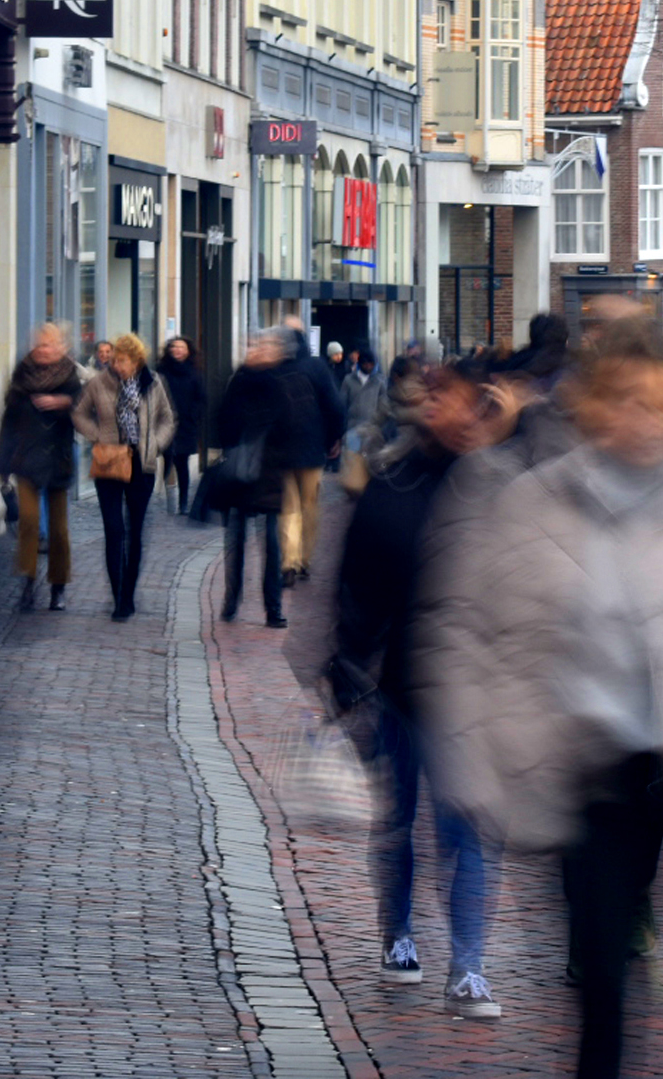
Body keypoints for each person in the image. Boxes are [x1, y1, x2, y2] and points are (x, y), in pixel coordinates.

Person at [416, 318, 663, 1078]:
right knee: (602, 965)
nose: (653, 420)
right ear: (598, 410)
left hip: (651, 768)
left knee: (619, 946)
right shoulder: (535, 502)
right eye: (634, 403)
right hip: (566, 762)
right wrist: (477, 760)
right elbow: (470, 629)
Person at [336, 357, 506, 1018]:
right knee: (400, 820)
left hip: (476, 689)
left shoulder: (497, 485)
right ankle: (398, 932)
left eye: (457, 400)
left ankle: (468, 966)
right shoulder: (393, 479)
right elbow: (358, 580)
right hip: (402, 684)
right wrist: (348, 667)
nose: (445, 412)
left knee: (469, 828)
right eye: (435, 400)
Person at [74, 333, 177, 621]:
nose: (118, 365)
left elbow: (167, 419)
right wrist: (97, 436)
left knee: (134, 532)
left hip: (141, 465)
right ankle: (118, 597)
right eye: (115, 359)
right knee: (113, 530)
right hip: (109, 461)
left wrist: (154, 444)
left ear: (136, 361)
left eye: (123, 361)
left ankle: (129, 595)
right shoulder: (99, 382)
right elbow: (79, 413)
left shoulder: (153, 384)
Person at [0, 323, 84, 612]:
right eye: (40, 344)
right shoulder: (22, 375)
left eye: (50, 344)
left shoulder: (71, 378)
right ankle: (28, 584)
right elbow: (9, 421)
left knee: (58, 530)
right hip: (26, 458)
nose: (44, 350)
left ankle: (58, 587)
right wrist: (2, 463)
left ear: (60, 348)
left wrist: (65, 404)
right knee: (30, 523)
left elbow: (84, 414)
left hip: (58, 458)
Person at [213, 329, 292, 627]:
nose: (256, 351)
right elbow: (222, 420)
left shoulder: (277, 383)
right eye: (252, 346)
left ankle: (273, 607)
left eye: (263, 347)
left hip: (269, 475)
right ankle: (232, 598)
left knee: (271, 544)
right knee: (236, 541)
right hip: (239, 475)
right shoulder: (239, 380)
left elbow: (288, 428)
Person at [270, 321, 346, 586]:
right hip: (313, 448)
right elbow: (335, 406)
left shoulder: (276, 368)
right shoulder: (317, 367)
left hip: (283, 449)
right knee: (310, 505)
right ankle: (304, 560)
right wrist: (335, 438)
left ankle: (288, 561)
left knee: (287, 507)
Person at [158, 334, 208, 514]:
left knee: (182, 462)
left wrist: (193, 416)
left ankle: (183, 502)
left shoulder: (194, 372)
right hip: (164, 423)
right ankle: (164, 497)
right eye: (174, 347)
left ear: (188, 351)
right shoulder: (161, 371)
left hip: (185, 425)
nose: (177, 350)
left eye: (181, 347)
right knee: (166, 459)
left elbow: (201, 398)